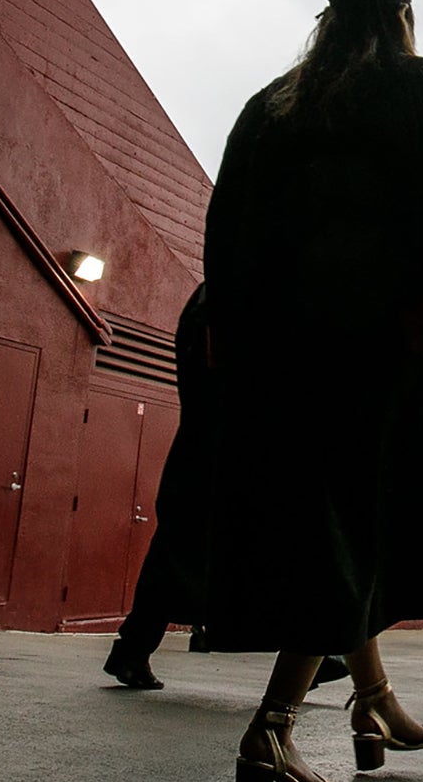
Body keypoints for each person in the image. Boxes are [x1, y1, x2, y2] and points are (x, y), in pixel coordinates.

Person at [199, 0, 423, 782]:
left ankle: (374, 703)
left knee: (333, 529)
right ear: (403, 14)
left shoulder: (270, 106)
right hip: (386, 353)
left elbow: (227, 236)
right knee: (361, 535)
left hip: (279, 362)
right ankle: (273, 728)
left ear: (328, 17)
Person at [102, 285, 349, 692]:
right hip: (237, 449)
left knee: (178, 548)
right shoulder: (252, 299)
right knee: (282, 544)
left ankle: (132, 649)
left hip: (204, 447)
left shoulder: (211, 299)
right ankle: (308, 650)